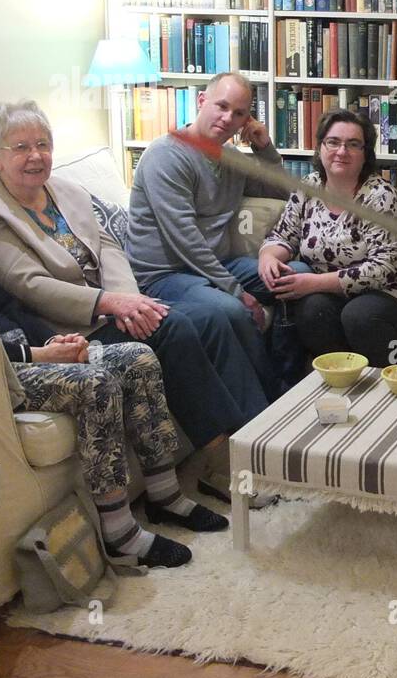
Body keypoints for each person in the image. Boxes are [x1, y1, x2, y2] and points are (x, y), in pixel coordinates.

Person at [0, 101, 261, 476]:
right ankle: (219, 462)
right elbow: (29, 284)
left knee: (212, 318)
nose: (36, 156)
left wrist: (127, 300)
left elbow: (110, 248)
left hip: (115, 305)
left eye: (43, 144)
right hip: (63, 327)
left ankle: (254, 436)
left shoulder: (66, 190)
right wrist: (110, 303)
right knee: (175, 327)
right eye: (20, 147)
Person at [0, 249, 226, 567]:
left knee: (137, 358)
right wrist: (38, 355)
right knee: (96, 382)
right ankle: (120, 535)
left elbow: (8, 305)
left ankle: (165, 496)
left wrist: (57, 342)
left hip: (38, 351)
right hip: (3, 368)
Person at [124, 73, 301, 498]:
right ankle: (251, 443)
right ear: (201, 100)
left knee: (298, 279)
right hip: (166, 275)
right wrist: (233, 289)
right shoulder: (167, 156)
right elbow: (183, 238)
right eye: (221, 106)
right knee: (228, 312)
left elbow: (284, 190)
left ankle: (287, 407)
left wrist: (263, 147)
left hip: (217, 265)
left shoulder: (232, 157)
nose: (227, 118)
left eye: (239, 113)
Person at [258, 110, 397, 368]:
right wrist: (268, 256)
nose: (342, 151)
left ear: (365, 154)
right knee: (312, 310)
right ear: (320, 147)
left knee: (359, 316)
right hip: (336, 290)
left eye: (353, 144)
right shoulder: (309, 186)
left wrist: (315, 282)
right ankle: (349, 381)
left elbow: (383, 269)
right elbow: (283, 235)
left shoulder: (380, 196)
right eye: (333, 142)